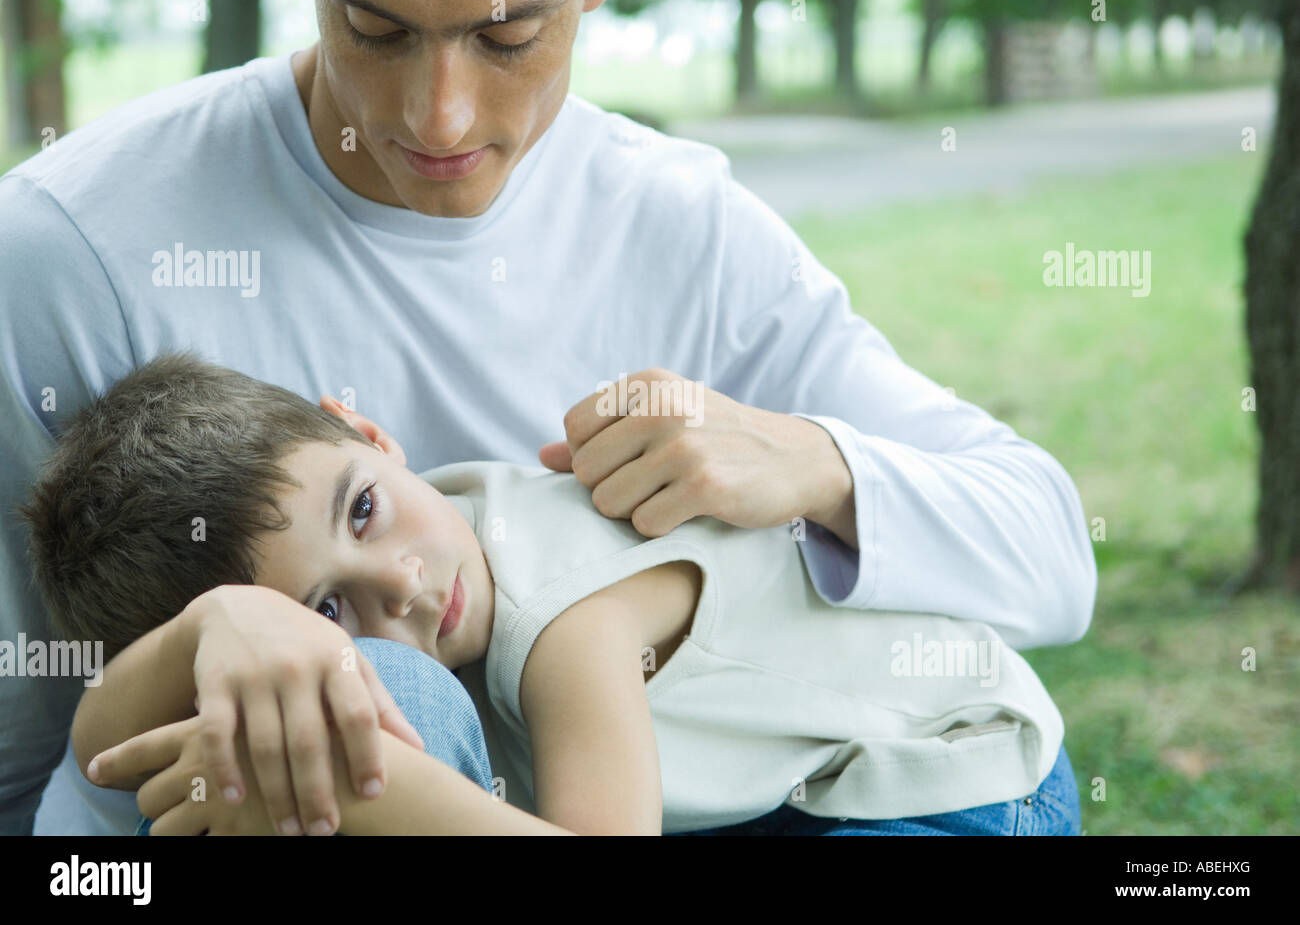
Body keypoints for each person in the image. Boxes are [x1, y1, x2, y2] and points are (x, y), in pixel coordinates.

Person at [0, 0, 1096, 836]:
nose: (439, 114)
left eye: (508, 35)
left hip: (877, 786)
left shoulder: (683, 228)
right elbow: (37, 796)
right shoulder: (68, 252)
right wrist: (189, 647)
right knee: (367, 696)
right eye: (373, 28)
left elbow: (1050, 553)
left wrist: (814, 460)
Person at [25, 353, 1076, 835]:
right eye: (324, 613)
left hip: (955, 785)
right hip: (783, 783)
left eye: (363, 513)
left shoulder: (564, 605)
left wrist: (374, 801)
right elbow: (96, 750)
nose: (398, 583)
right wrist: (207, 632)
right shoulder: (446, 529)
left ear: (370, 435)